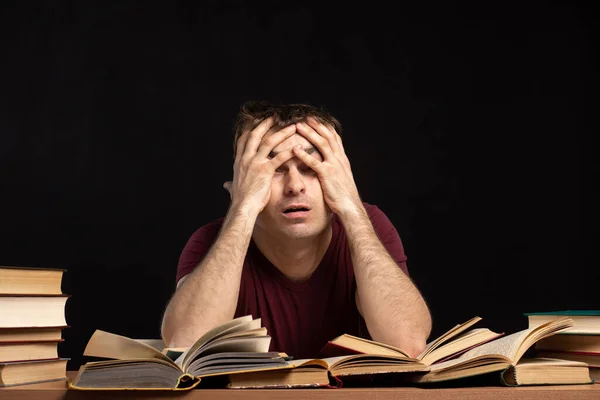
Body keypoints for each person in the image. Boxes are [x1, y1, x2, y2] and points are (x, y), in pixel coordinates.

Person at [161, 101, 432, 359]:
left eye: (310, 168)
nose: (295, 186)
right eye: (275, 169)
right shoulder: (211, 241)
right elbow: (185, 344)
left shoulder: (369, 225)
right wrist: (242, 209)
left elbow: (407, 343)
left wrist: (351, 207)